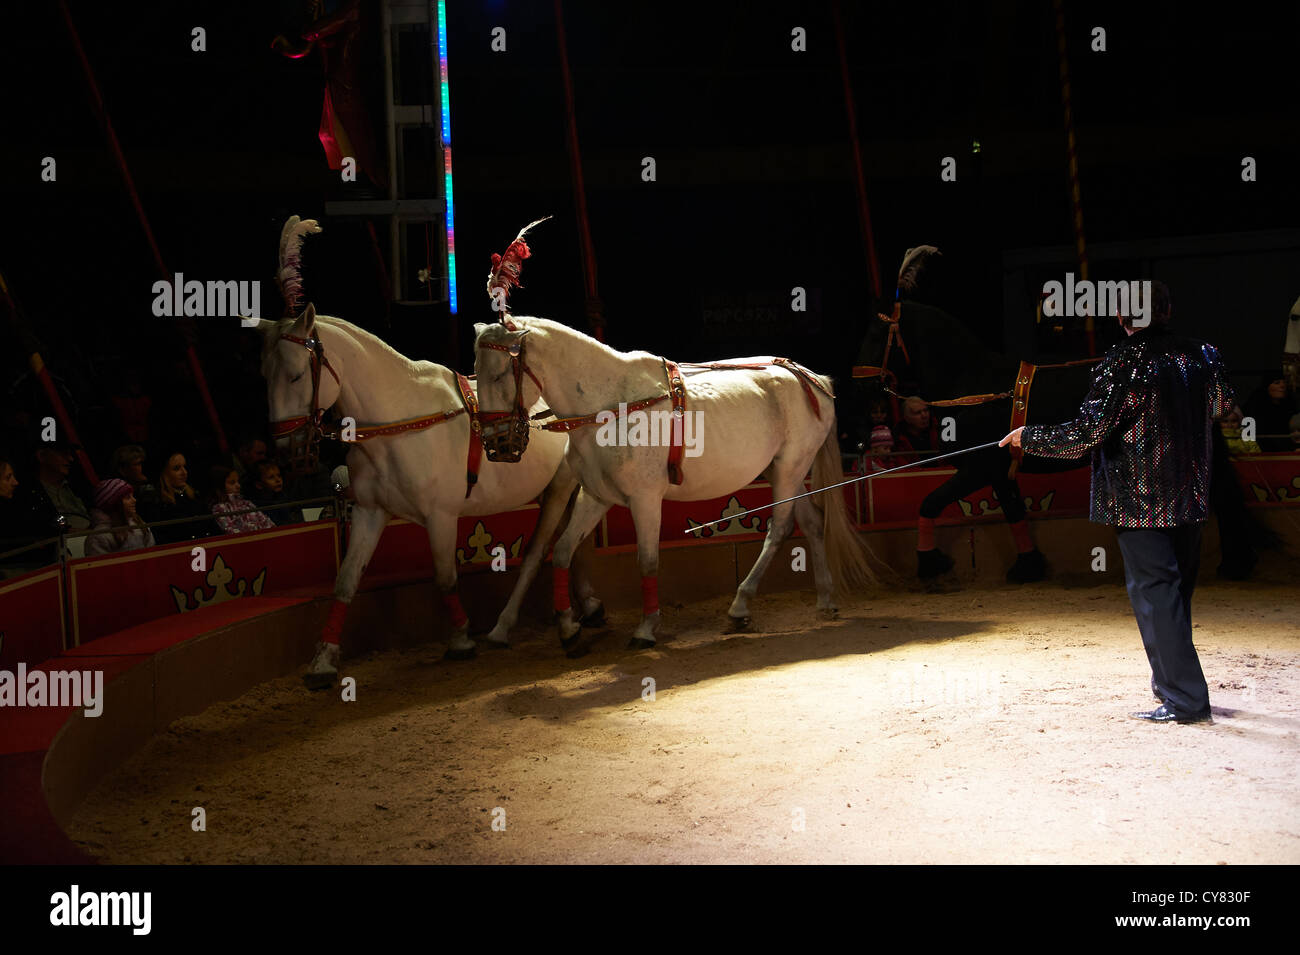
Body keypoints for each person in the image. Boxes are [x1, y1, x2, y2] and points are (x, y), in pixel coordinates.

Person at [1000, 281, 1231, 724]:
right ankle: (1178, 691)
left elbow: (1085, 436)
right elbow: (1223, 407)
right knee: (1176, 594)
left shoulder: (1120, 362)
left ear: (1121, 317)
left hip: (1139, 499)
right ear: (1167, 310)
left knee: (1156, 594)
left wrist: (1029, 436)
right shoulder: (1205, 353)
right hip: (1190, 493)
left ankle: (1184, 700)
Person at [139, 452, 219, 544]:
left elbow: (212, 526)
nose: (184, 472)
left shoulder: (194, 496)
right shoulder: (157, 503)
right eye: (177, 469)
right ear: (163, 473)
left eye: (184, 467)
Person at [85, 478, 155, 556]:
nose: (134, 500)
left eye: (133, 496)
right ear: (114, 504)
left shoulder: (139, 525)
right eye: (128, 497)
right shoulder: (99, 537)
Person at [208, 465, 276, 535]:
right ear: (219, 488)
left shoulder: (247, 503)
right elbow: (231, 532)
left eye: (238, 482)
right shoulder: (219, 509)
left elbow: (267, 522)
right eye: (232, 483)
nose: (238, 486)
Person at [1243, 374, 1299, 452]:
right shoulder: (1255, 407)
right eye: (1277, 383)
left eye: (1284, 383)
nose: (1283, 385)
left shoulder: (1290, 406)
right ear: (1267, 387)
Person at [248, 459, 302, 525]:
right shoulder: (256, 506)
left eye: (279, 475)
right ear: (259, 485)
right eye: (271, 477)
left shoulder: (283, 496)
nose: (278, 480)